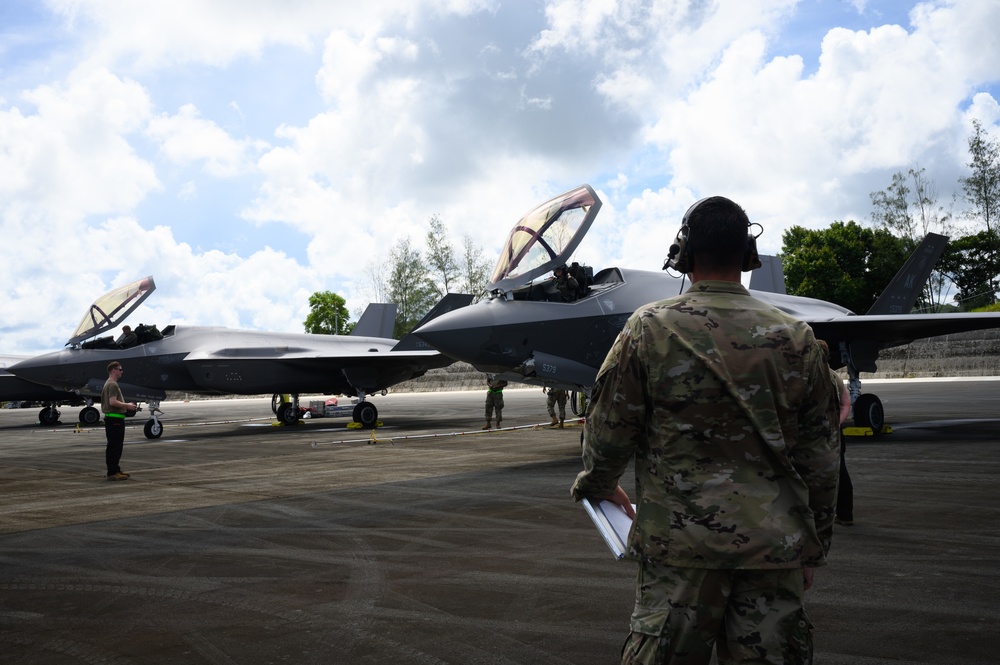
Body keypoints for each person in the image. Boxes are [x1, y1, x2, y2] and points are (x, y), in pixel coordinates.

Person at [571, 196, 840, 664]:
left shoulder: (648, 329)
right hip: (774, 554)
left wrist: (598, 485)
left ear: (684, 255)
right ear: (748, 257)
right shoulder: (797, 339)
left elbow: (608, 431)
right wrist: (811, 549)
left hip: (680, 556)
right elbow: (822, 459)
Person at [101, 361, 136, 481]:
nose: (122, 372)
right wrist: (127, 405)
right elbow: (112, 402)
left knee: (116, 446)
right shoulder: (112, 385)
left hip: (115, 419)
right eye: (120, 369)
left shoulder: (109, 384)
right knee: (114, 446)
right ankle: (112, 472)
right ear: (113, 371)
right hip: (114, 419)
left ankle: (115, 469)